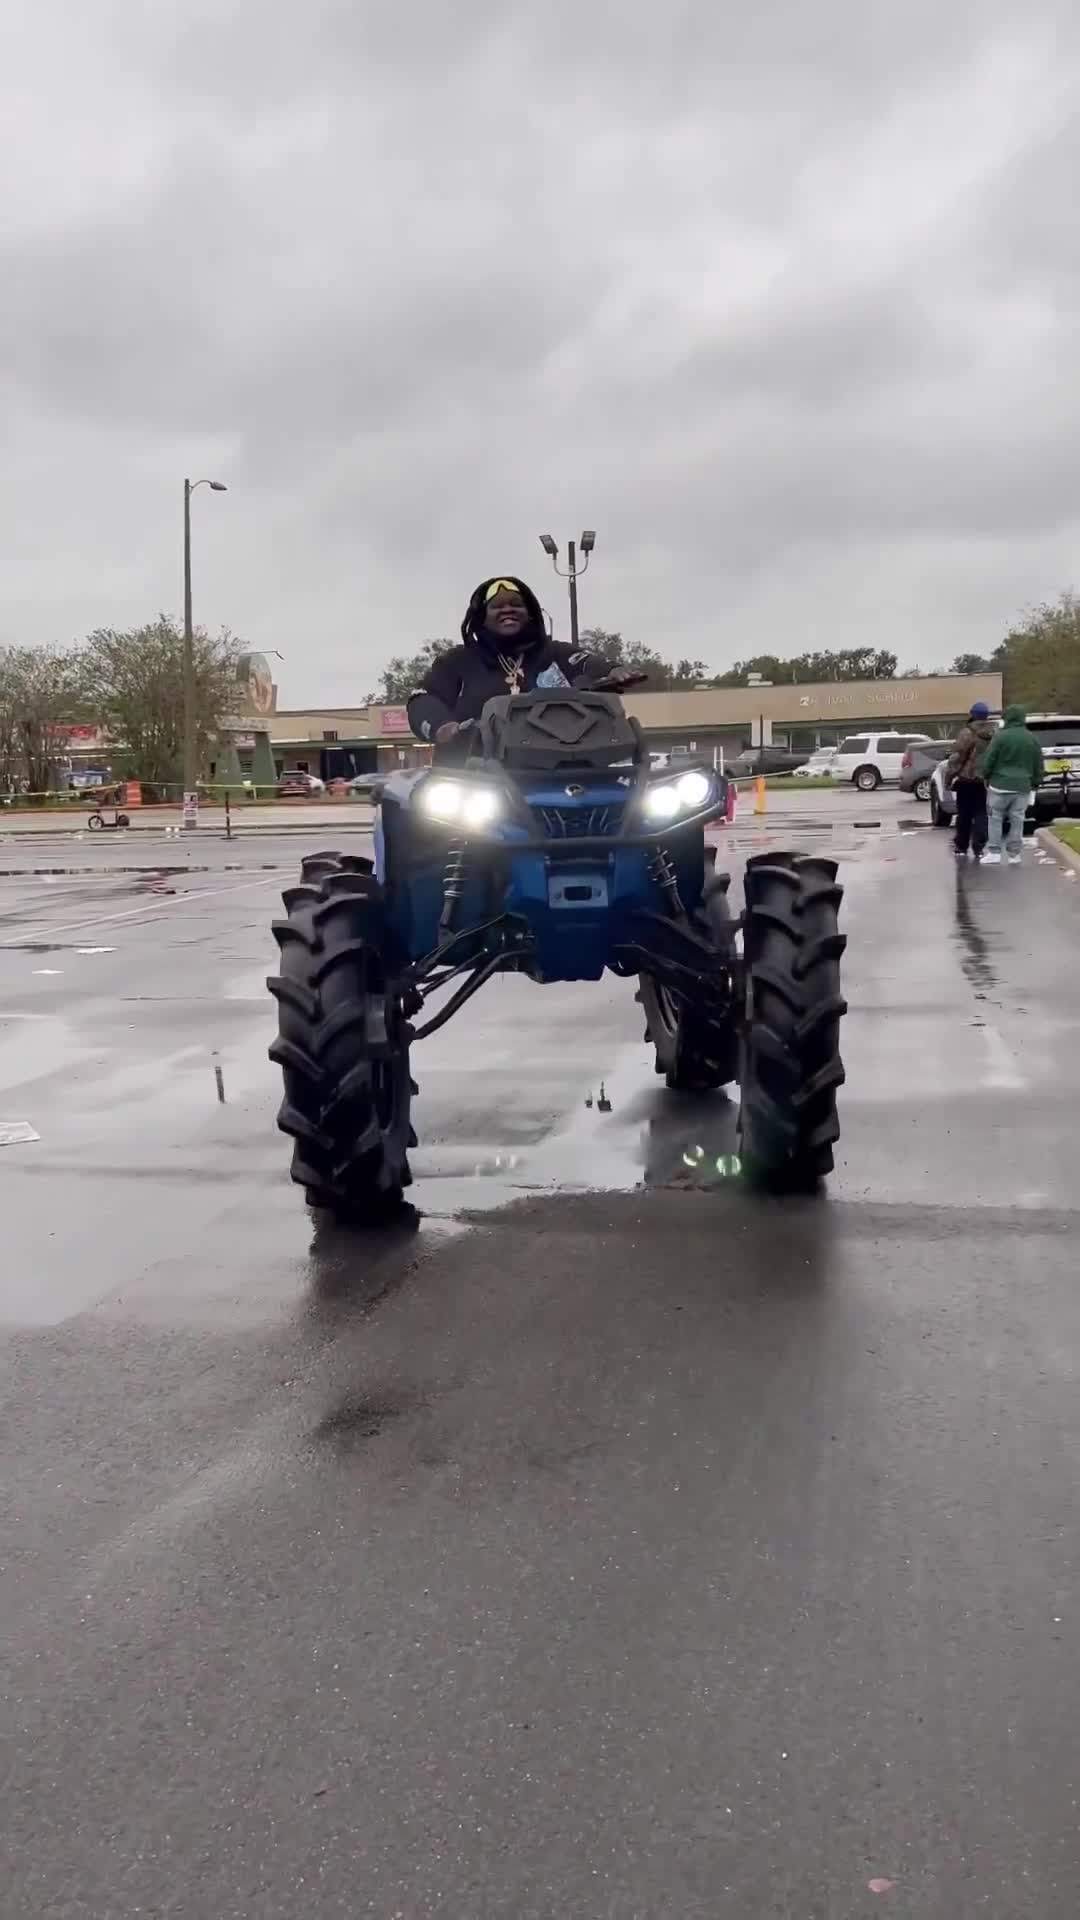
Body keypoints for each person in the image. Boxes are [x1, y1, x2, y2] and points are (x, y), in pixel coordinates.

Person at [406, 577, 612, 755]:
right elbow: (422, 698)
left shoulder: (554, 653)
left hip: (555, 766)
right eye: (497, 606)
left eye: (516, 604)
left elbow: (585, 662)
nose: (508, 610)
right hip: (473, 777)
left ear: (530, 613)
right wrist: (442, 726)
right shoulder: (457, 660)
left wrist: (613, 671)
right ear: (482, 618)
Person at [980, 704, 1044, 865]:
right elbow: (1038, 764)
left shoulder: (1000, 737)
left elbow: (989, 760)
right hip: (1023, 786)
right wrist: (1035, 783)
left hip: (999, 784)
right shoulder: (1031, 738)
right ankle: (1014, 854)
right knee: (1018, 820)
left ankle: (994, 852)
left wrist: (986, 776)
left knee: (995, 818)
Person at [945, 701, 995, 860]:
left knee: (964, 814)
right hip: (982, 780)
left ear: (972, 714)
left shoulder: (967, 733)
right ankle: (979, 846)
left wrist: (949, 776)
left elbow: (958, 757)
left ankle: (961, 846)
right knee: (981, 813)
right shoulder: (993, 732)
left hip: (966, 779)